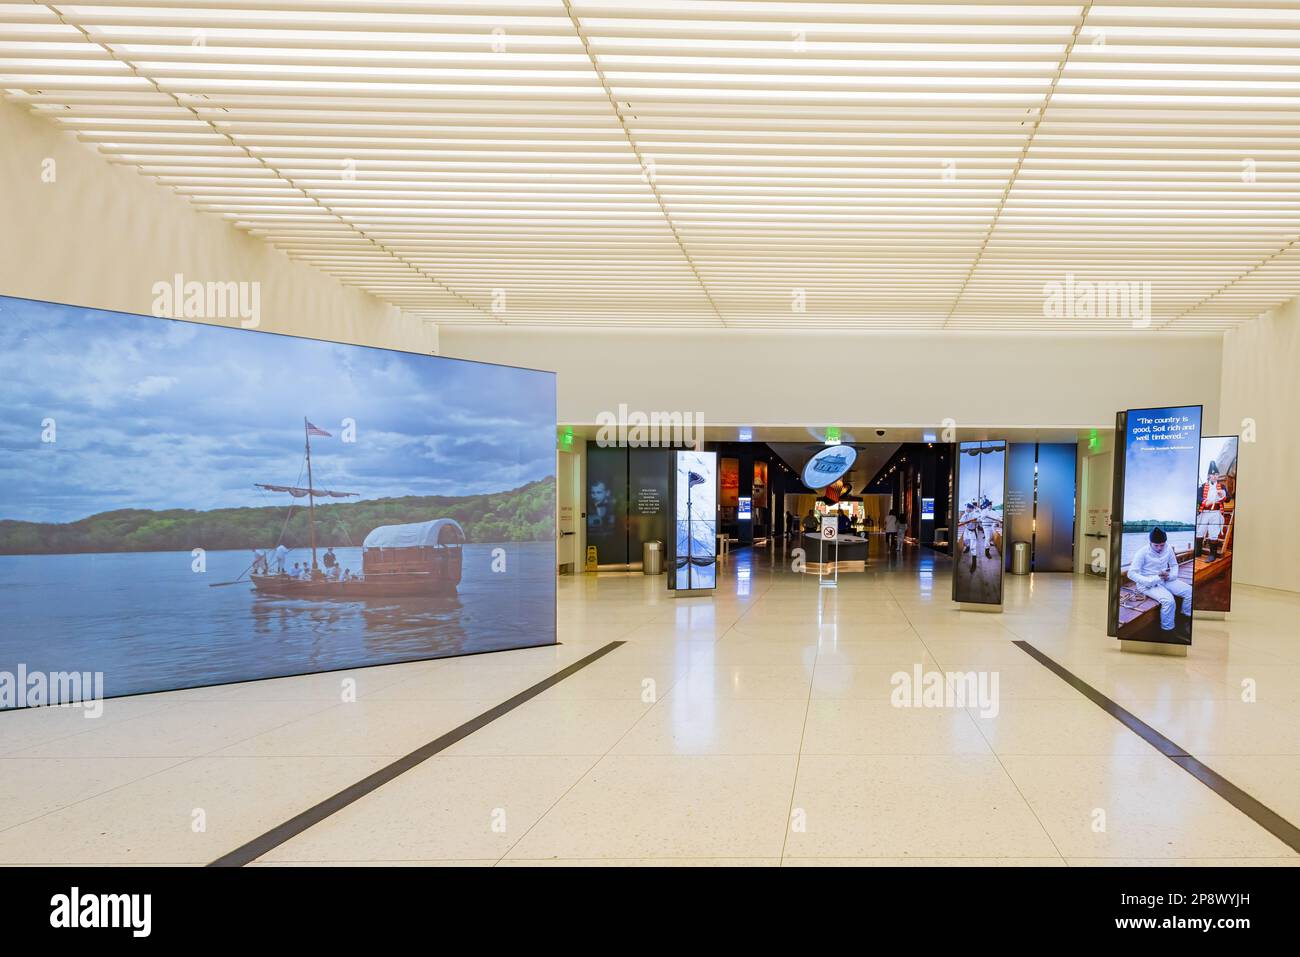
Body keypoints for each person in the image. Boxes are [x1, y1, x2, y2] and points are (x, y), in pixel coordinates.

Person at [1127, 527, 1193, 636]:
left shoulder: (1168, 548)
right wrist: (1148, 581)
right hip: (1147, 584)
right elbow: (1131, 573)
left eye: (1162, 545)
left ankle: (1184, 621)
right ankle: (1168, 632)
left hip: (1164, 579)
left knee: (1189, 591)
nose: (1159, 548)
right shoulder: (1142, 552)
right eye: (1156, 545)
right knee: (1169, 601)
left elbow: (1174, 565)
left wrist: (1171, 576)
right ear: (1150, 542)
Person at [1196, 461, 1227, 561]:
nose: (1215, 476)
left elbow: (1228, 498)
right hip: (1204, 512)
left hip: (1216, 513)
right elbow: (1197, 497)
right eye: (1213, 475)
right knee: (1199, 532)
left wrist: (1223, 495)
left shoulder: (1222, 487)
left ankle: (1212, 555)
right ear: (1209, 476)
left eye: (1216, 475)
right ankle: (1197, 552)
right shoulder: (1203, 486)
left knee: (1213, 533)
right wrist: (1204, 501)